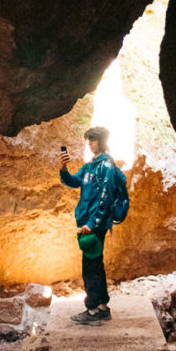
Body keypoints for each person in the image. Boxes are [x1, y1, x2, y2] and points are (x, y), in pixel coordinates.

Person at [59, 125, 123, 325]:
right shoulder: (90, 166)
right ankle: (103, 307)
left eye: (93, 140)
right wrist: (63, 168)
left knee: (90, 267)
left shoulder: (106, 166)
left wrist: (91, 223)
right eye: (89, 139)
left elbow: (105, 197)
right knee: (96, 264)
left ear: (102, 142)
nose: (90, 143)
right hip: (89, 223)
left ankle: (93, 311)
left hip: (94, 224)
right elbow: (73, 181)